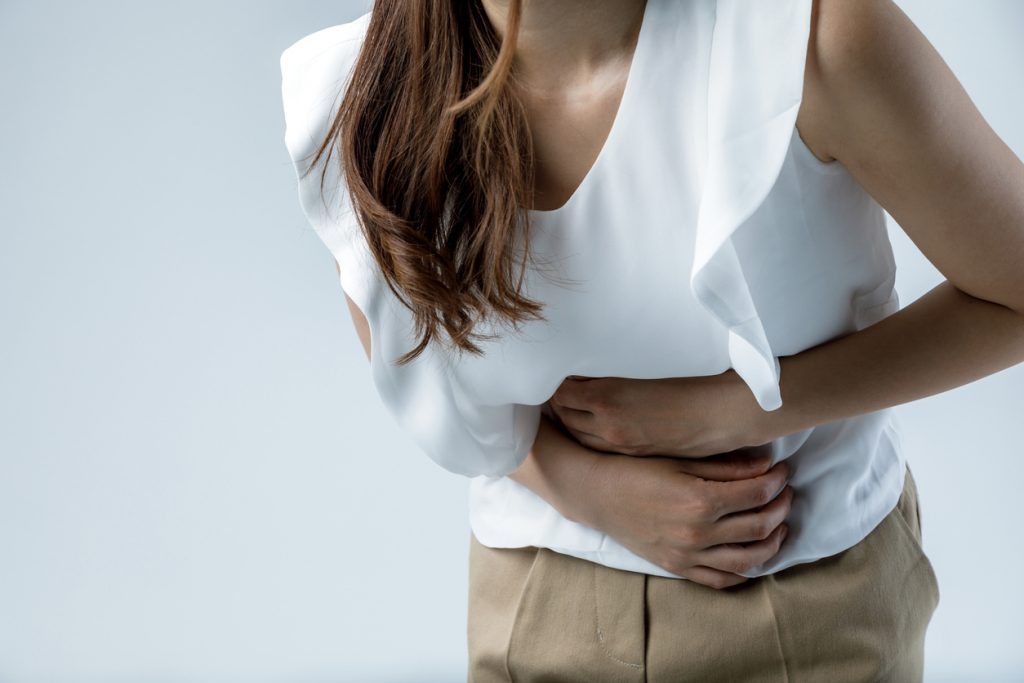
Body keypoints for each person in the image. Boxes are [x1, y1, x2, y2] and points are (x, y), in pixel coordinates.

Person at [280, 0, 1024, 680]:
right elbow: (428, 380)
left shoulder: (811, 39)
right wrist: (584, 487)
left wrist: (738, 410)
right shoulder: (367, 91)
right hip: (536, 598)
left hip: (809, 601)